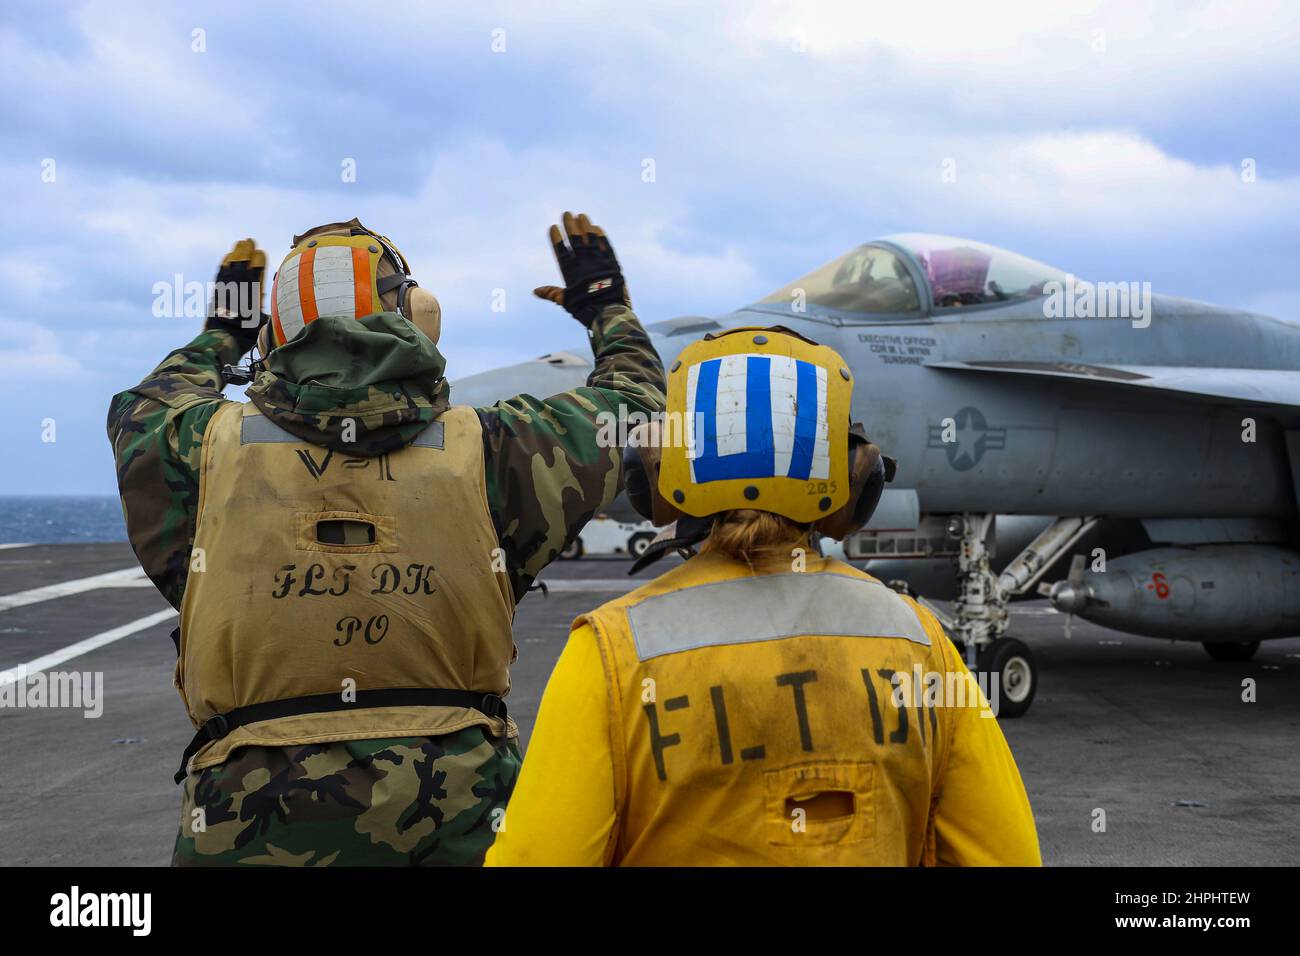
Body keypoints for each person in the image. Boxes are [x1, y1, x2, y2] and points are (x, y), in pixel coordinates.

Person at [106, 213, 665, 865]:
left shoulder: (192, 449)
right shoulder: (497, 449)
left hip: (244, 828)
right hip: (457, 825)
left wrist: (220, 335)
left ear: (276, 331)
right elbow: (633, 400)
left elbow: (142, 407)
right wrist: (607, 306)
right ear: (408, 312)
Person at [485, 326, 1040, 866]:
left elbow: (539, 853)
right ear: (854, 477)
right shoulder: (919, 640)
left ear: (655, 474)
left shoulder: (612, 650)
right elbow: (1005, 853)